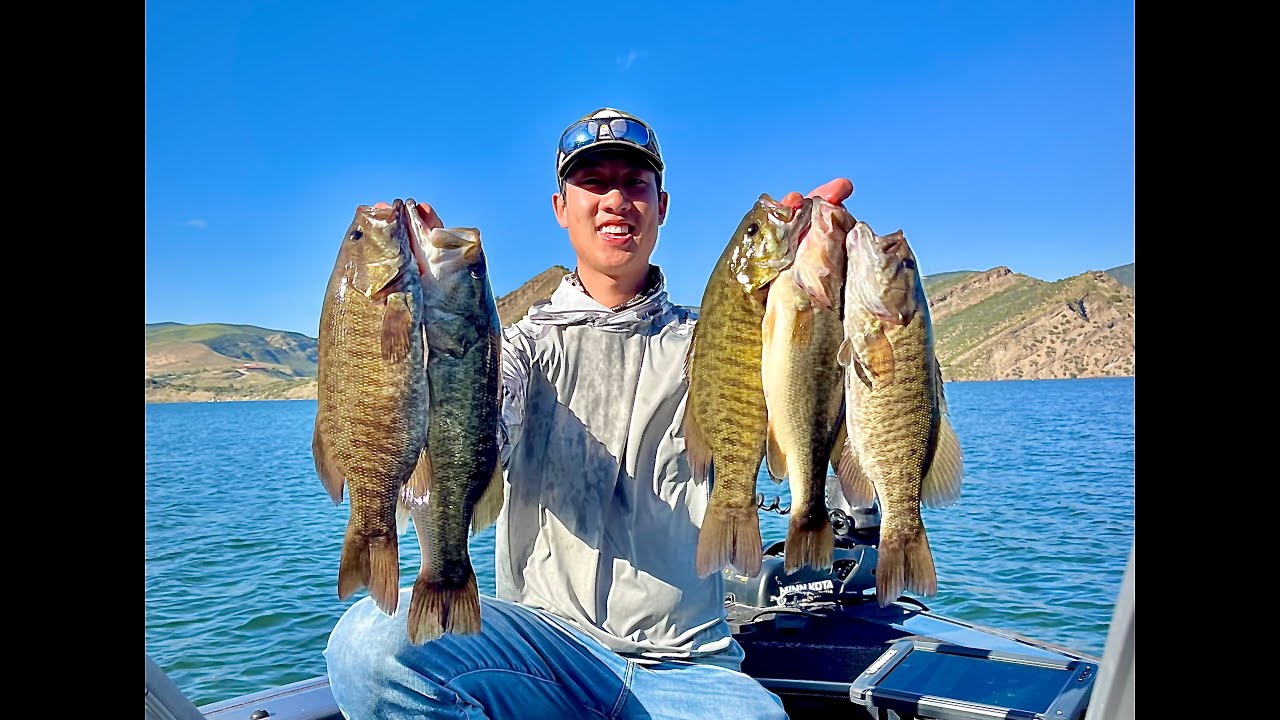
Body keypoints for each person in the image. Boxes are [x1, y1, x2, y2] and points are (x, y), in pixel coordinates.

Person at [323, 107, 853, 720]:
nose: (615, 200)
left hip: (690, 666)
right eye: (594, 182)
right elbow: (479, 431)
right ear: (560, 207)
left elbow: (813, 398)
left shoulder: (719, 345)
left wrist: (823, 287)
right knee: (368, 648)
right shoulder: (515, 347)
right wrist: (428, 325)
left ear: (661, 206)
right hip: (545, 656)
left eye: (634, 183)